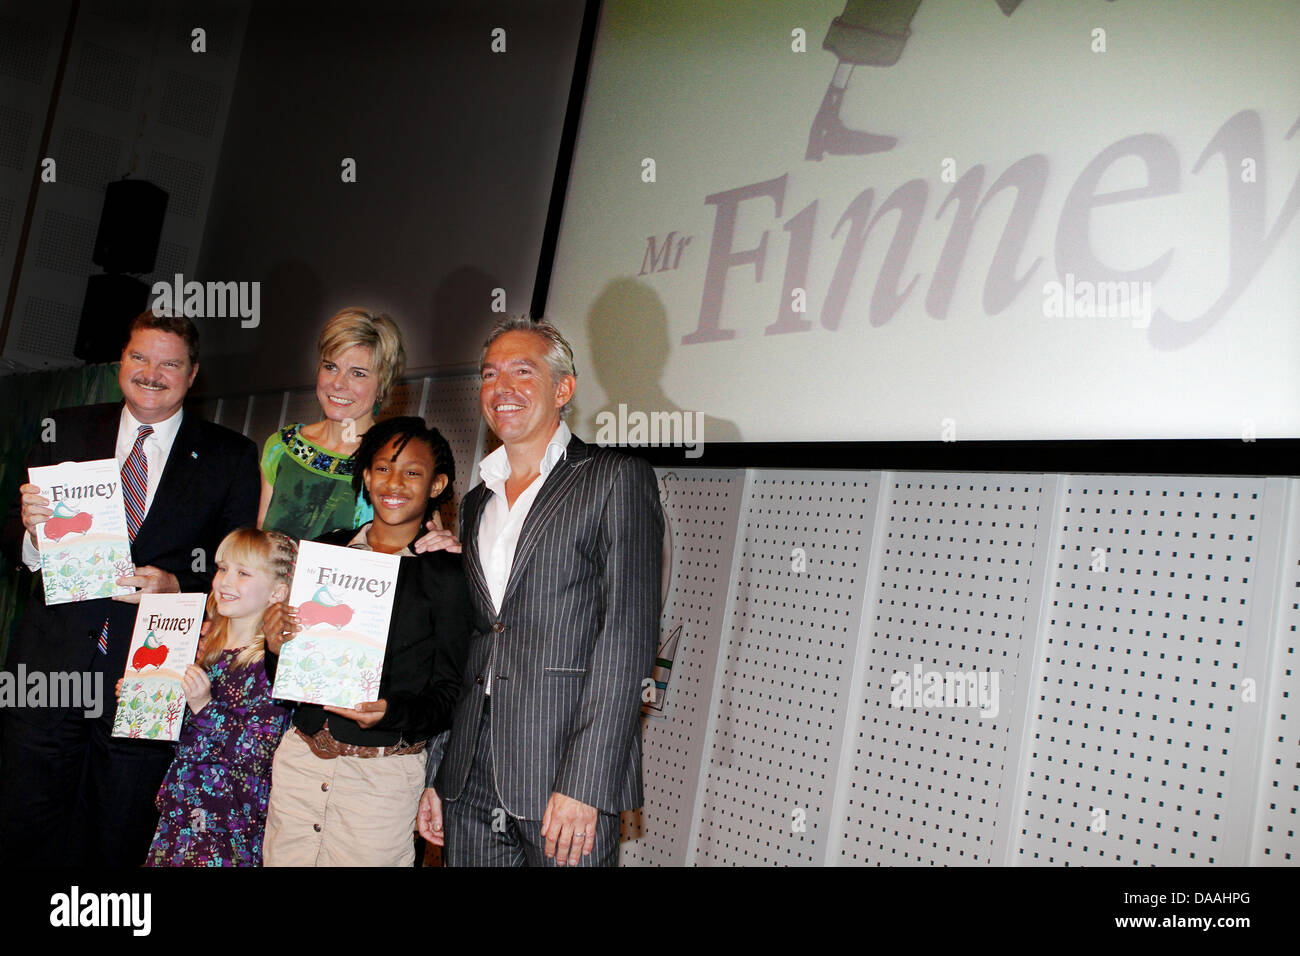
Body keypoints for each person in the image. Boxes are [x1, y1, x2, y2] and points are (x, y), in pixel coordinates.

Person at [1, 310, 260, 866]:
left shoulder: (230, 456)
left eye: (170, 363)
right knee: (25, 820)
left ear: (193, 376)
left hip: (150, 672)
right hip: (51, 666)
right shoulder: (64, 428)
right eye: (140, 357)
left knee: (119, 828)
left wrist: (178, 584)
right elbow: (12, 547)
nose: (151, 373)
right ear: (122, 361)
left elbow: (236, 569)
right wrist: (27, 531)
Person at [416, 317, 664, 867]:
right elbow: (477, 642)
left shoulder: (614, 478)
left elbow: (626, 639)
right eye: (489, 374)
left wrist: (587, 784)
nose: (501, 388)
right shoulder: (477, 500)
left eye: (522, 372)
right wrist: (441, 770)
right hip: (471, 778)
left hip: (563, 776)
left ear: (564, 388)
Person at [262, 416, 471, 866]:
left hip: (382, 778)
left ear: (437, 486)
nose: (393, 483)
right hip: (301, 761)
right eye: (381, 468)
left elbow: (452, 693)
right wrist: (276, 645)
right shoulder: (324, 551)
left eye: (412, 472)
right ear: (365, 475)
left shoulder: (449, 575)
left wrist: (391, 713)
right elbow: (288, 677)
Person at [143, 528, 295, 866]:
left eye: (243, 573)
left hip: (231, 826)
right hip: (180, 815)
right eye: (223, 568)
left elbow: (259, 753)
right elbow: (180, 738)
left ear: (278, 592)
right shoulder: (202, 648)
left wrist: (204, 706)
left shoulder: (273, 663)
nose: (225, 581)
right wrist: (148, 697)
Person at [258, 308, 407, 540]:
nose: (338, 383)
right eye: (330, 367)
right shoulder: (281, 447)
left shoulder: (399, 463)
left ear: (382, 386)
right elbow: (258, 548)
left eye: (358, 373)